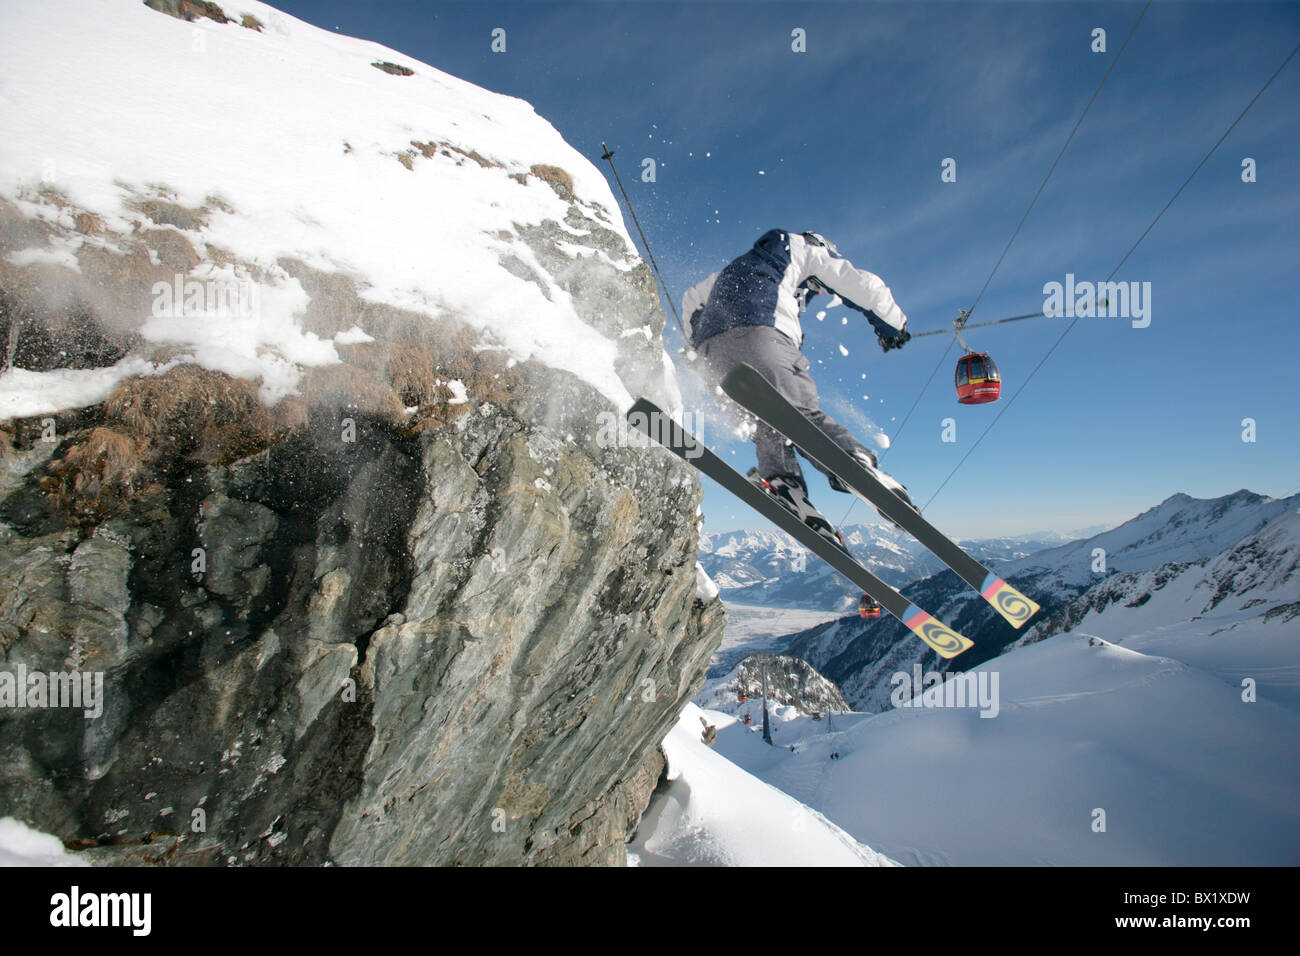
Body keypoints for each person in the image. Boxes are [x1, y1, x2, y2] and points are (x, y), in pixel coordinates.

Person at [683, 229, 914, 549]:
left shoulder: (730, 272)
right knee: (802, 414)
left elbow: (691, 299)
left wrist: (696, 344)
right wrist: (892, 327)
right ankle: (853, 463)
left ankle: (782, 483)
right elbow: (857, 282)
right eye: (814, 288)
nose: (814, 292)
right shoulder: (797, 247)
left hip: (712, 358)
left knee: (768, 422)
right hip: (761, 337)